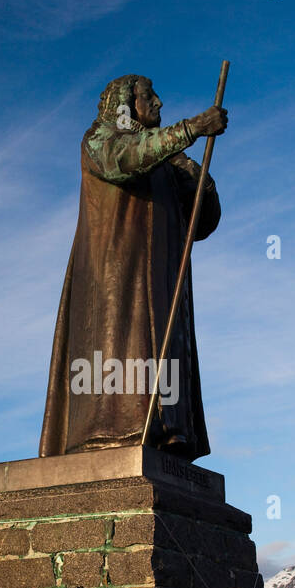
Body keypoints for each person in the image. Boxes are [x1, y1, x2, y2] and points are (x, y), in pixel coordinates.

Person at [38, 74, 227, 462]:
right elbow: (124, 159)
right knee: (121, 350)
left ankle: (165, 432)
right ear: (126, 103)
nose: (159, 102)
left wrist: (193, 173)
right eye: (149, 96)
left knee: (163, 352)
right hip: (117, 277)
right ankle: (110, 437)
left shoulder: (165, 160)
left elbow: (202, 223)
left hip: (161, 278)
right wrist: (190, 129)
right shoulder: (101, 139)